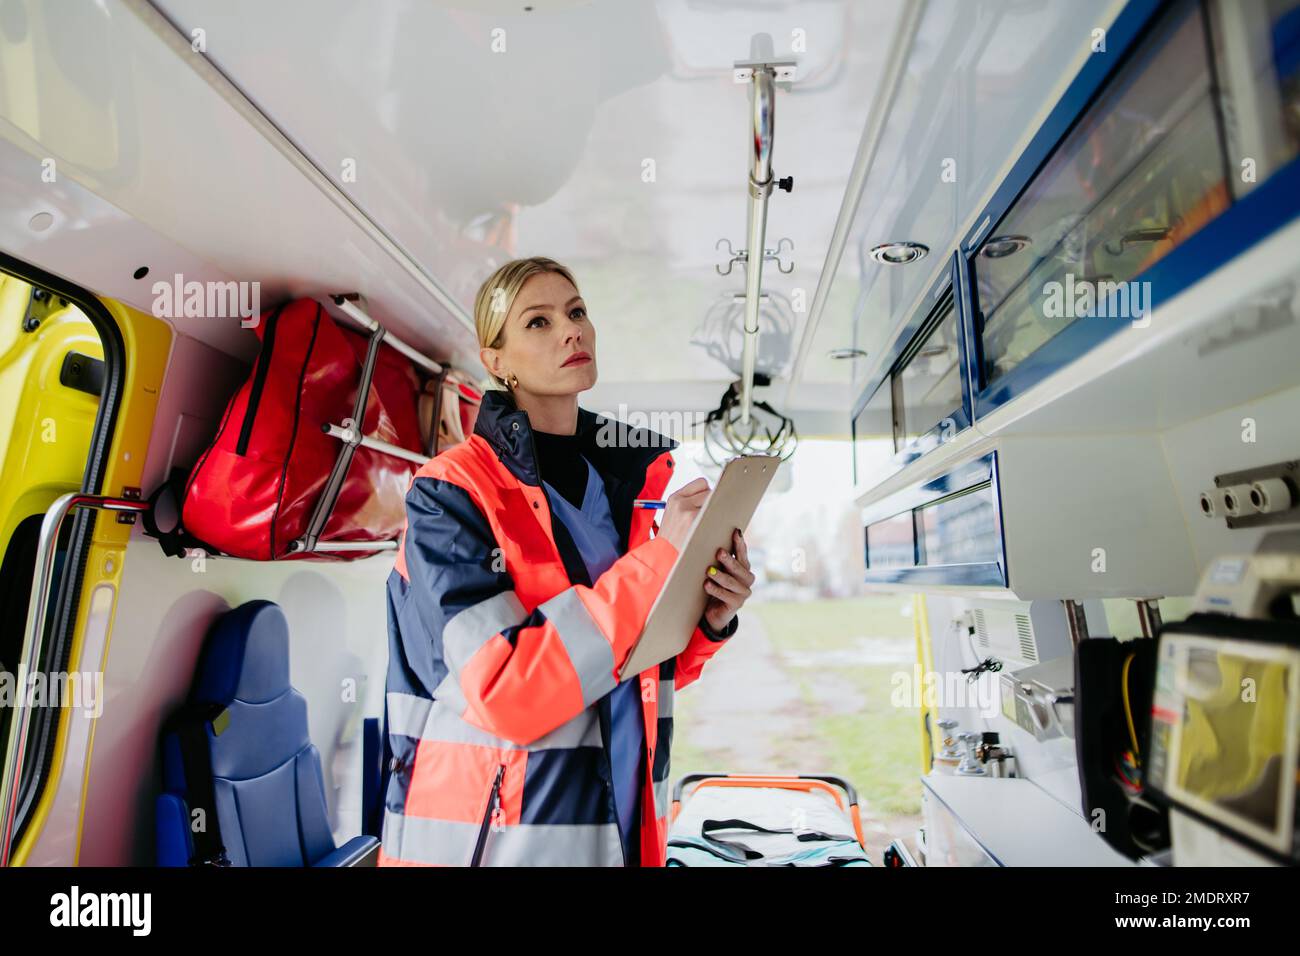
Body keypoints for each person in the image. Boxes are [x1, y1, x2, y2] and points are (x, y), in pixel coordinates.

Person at [378, 256, 753, 866]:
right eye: (538, 322)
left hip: (627, 829)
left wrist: (709, 619)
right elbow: (508, 690)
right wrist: (662, 560)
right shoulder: (448, 494)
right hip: (505, 846)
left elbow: (630, 663)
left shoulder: (621, 485)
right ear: (496, 362)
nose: (571, 330)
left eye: (577, 311)